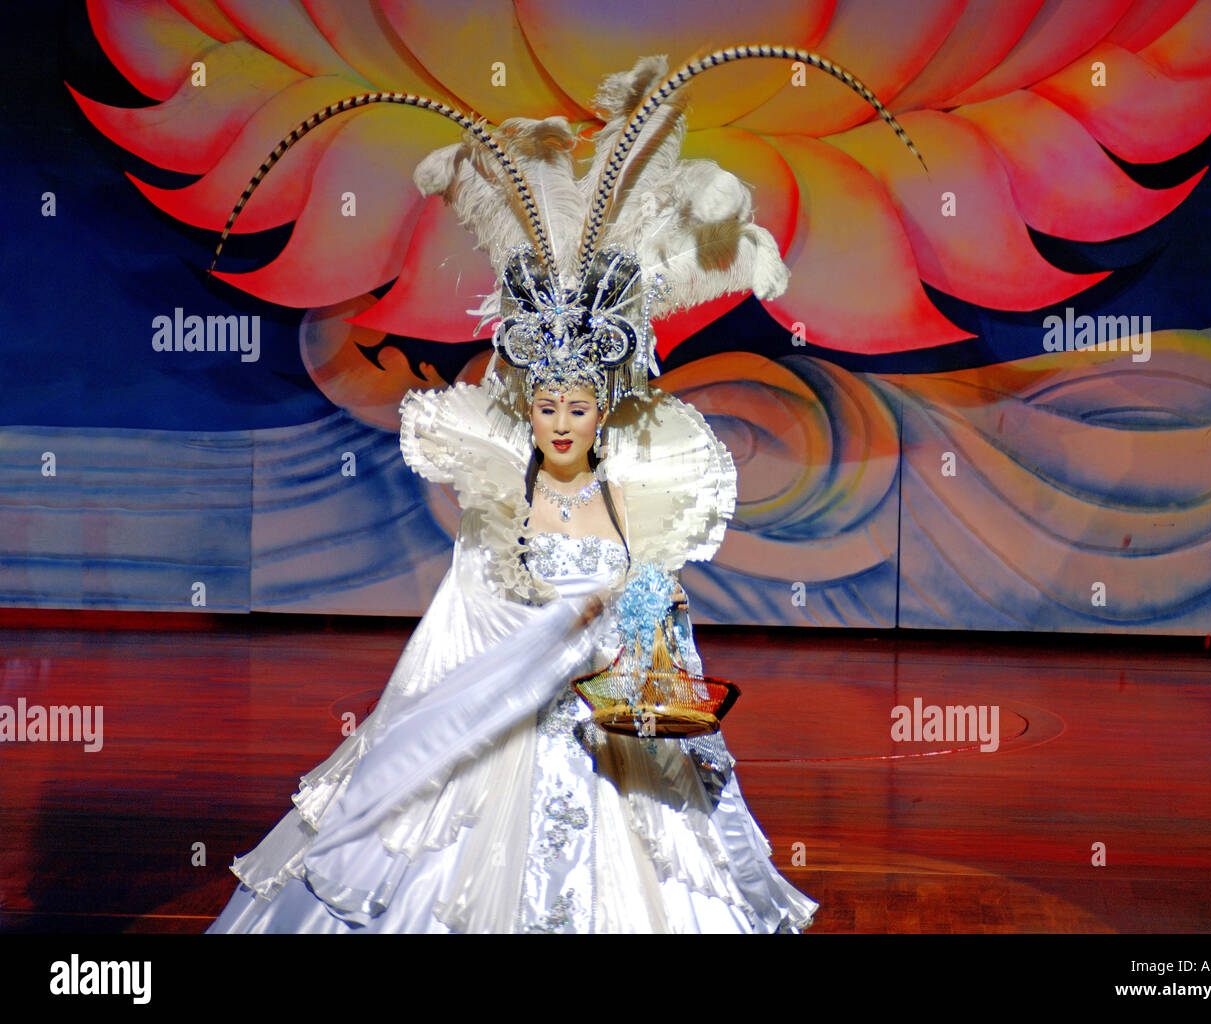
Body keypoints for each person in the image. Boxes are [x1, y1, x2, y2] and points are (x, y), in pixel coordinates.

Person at [206, 366, 818, 932]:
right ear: (529, 411)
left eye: (577, 409)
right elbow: (472, 619)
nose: (561, 424)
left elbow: (650, 606)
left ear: (600, 414)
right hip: (514, 714)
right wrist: (561, 630)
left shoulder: (626, 500)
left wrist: (658, 612)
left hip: (608, 720)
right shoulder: (505, 504)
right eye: (547, 408)